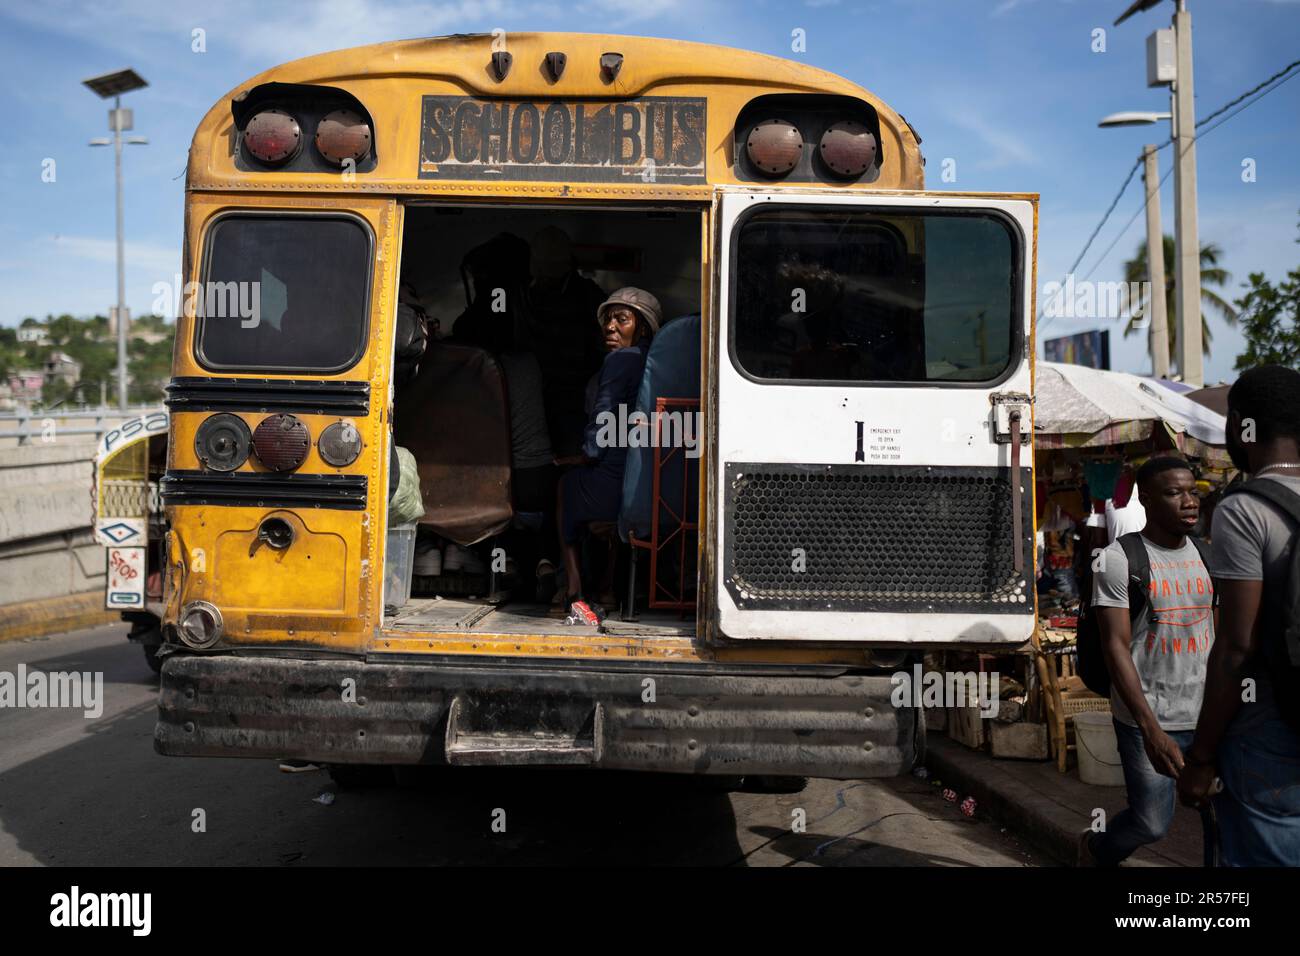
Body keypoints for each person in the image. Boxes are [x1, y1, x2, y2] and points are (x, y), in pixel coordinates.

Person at [1178, 364, 1300, 866]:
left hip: (1273, 722)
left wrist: (1202, 756)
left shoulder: (1243, 509)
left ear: (1241, 427)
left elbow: (1236, 648)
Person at [1080, 456, 1216, 866]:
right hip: (1148, 719)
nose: (1189, 502)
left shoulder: (1210, 555)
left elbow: (1223, 638)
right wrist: (1151, 730)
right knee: (1152, 822)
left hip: (1206, 715)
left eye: (1193, 492)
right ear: (1146, 499)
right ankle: (1095, 848)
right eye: (1174, 493)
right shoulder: (1120, 559)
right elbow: (1115, 646)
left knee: (1221, 817)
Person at [555, 287, 661, 624]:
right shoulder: (653, 363)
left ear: (641, 327)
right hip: (650, 483)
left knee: (565, 486)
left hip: (615, 481)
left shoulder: (620, 360)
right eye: (608, 320)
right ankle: (608, 587)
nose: (610, 327)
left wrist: (587, 454)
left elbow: (604, 414)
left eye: (622, 319)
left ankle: (573, 588)